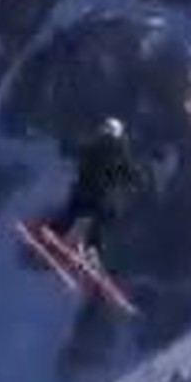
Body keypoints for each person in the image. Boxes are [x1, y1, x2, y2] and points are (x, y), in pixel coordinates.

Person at [49, 115, 148, 269]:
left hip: (88, 195)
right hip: (104, 202)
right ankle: (90, 251)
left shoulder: (95, 147)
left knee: (75, 214)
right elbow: (131, 175)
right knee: (95, 224)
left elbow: (75, 150)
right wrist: (139, 180)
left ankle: (58, 235)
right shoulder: (120, 154)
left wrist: (67, 145)